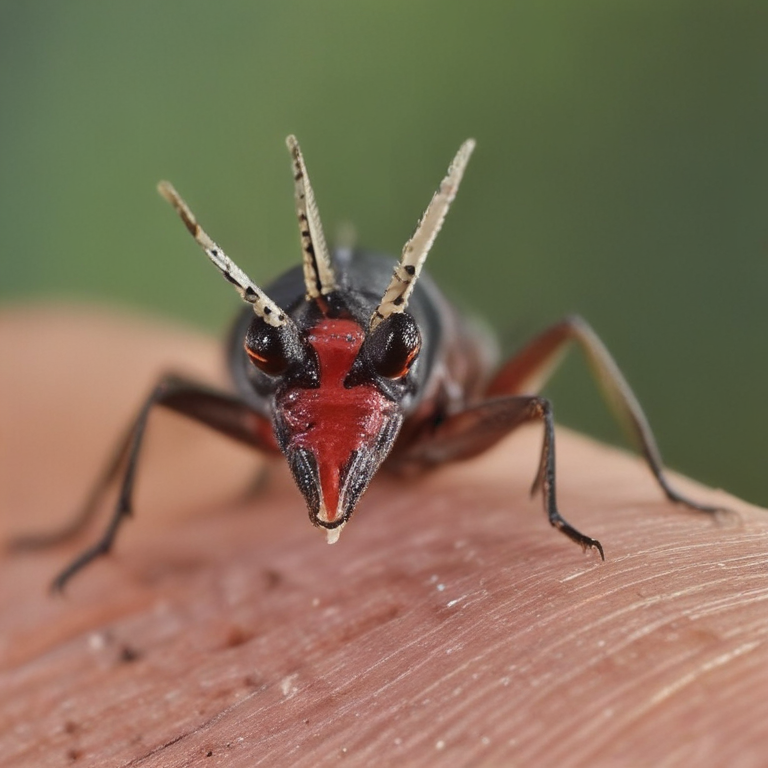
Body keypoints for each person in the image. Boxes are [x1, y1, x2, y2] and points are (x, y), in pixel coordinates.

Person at [1, 306, 766, 766]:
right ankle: (95, 531)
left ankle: (645, 485)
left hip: (430, 420)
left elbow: (533, 406)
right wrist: (88, 533)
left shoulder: (439, 393)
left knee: (563, 342)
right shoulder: (286, 387)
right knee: (166, 392)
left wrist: (569, 511)